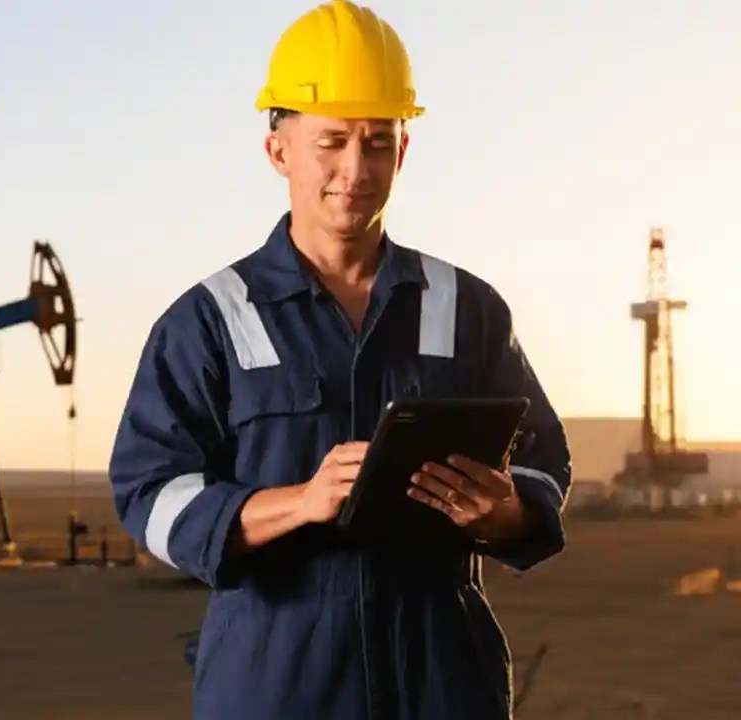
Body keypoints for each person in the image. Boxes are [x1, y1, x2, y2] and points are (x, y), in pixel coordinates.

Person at [106, 1, 572, 718]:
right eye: (331, 142)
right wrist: (298, 502)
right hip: (275, 682)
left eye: (378, 142)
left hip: (442, 682)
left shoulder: (465, 307)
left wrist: (504, 511)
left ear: (404, 151)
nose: (355, 169)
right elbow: (149, 496)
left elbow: (543, 461)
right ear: (279, 150)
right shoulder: (211, 320)